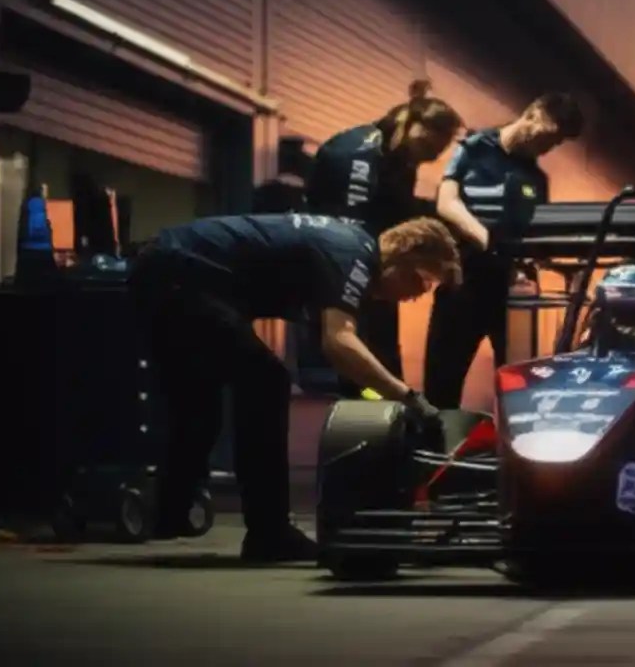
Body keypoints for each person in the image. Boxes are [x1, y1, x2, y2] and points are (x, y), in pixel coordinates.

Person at [128, 214, 461, 562]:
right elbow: (339, 342)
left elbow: (344, 361)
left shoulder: (345, 250)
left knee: (198, 399)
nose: (416, 296)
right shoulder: (353, 253)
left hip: (166, 270)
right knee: (266, 382)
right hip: (180, 275)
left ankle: (168, 511)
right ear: (401, 253)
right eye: (422, 280)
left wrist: (379, 400)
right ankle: (268, 533)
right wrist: (409, 397)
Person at [426, 92, 585, 409]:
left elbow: (535, 241)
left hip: (510, 295)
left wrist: (558, 263)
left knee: (519, 386)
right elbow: (446, 202)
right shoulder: (473, 149)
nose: (548, 147)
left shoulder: (536, 180)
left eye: (555, 144)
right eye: (548, 136)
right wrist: (485, 238)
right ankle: (434, 453)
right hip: (463, 284)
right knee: (442, 384)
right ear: (532, 113)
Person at [305, 79, 464, 396]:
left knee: (385, 355)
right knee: (356, 357)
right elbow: (348, 229)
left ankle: (390, 427)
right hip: (340, 262)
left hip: (371, 260)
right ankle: (360, 426)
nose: (429, 157)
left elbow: (396, 212)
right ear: (413, 125)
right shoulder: (358, 153)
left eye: (437, 152)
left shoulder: (401, 156)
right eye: (428, 148)